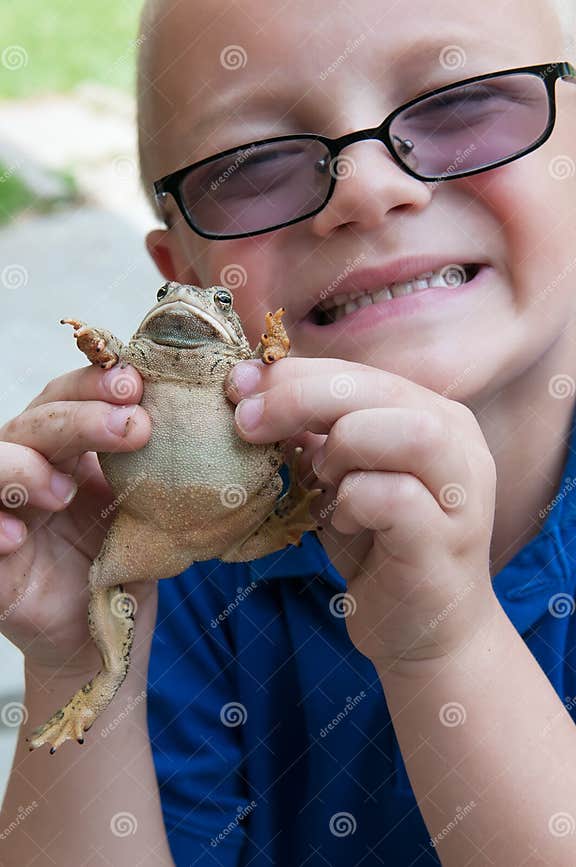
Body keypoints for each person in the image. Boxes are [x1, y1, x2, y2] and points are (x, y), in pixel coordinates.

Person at [2, 0, 576, 863]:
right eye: (253, 164)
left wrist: (444, 644)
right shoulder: (193, 555)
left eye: (462, 104)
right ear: (186, 272)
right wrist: (80, 662)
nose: (369, 190)